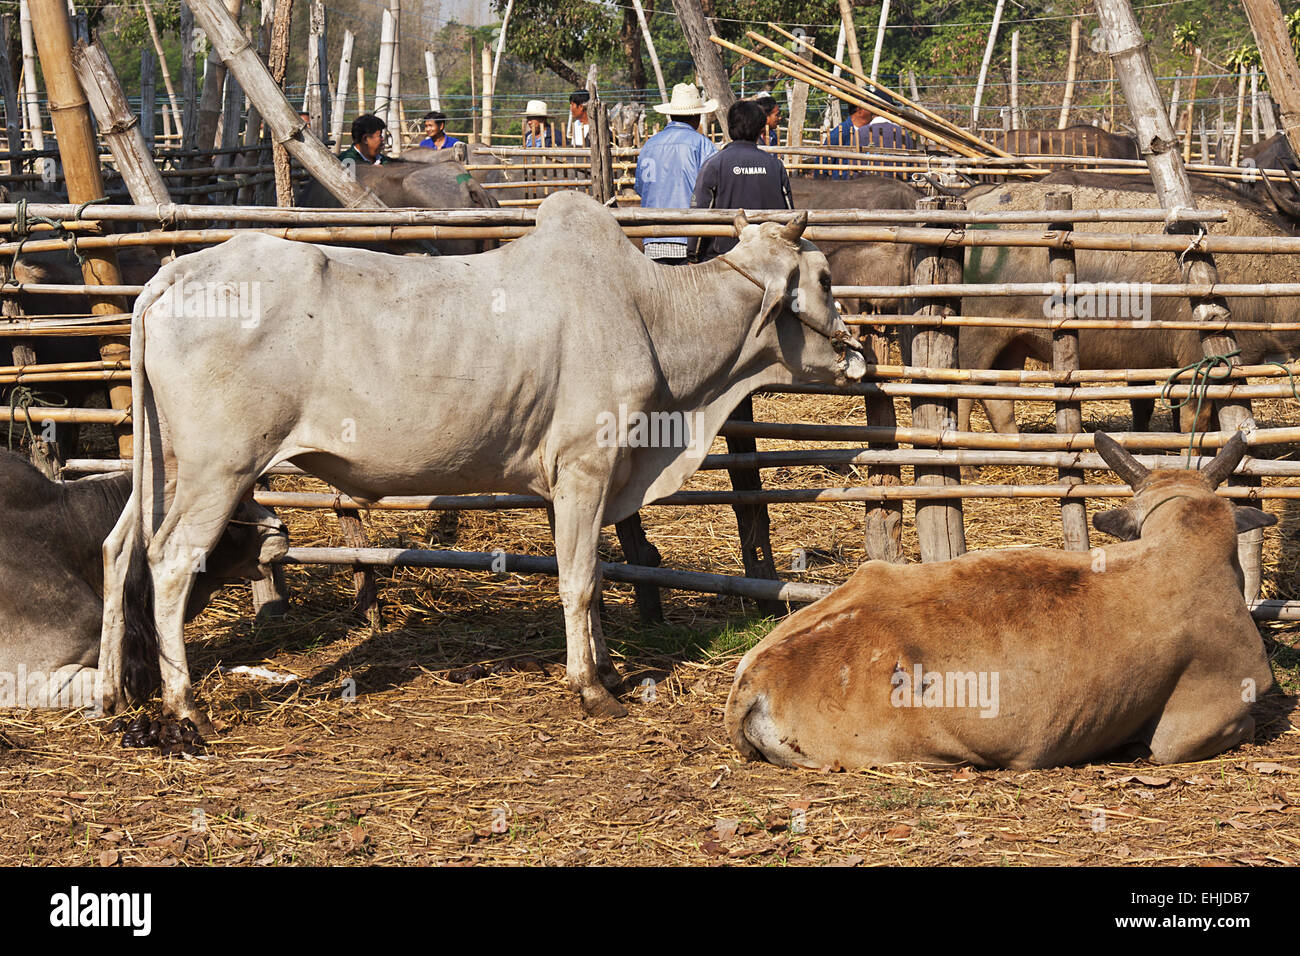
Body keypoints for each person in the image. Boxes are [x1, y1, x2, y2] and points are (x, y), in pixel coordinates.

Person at [690, 99, 793, 262]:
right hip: (767, 256)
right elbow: (788, 214)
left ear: (730, 127)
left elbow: (700, 212)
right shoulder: (775, 165)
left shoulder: (714, 164)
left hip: (724, 257)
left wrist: (693, 254)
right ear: (761, 128)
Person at [633, 83, 718, 265]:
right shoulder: (703, 145)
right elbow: (713, 190)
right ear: (696, 116)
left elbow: (641, 189)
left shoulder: (649, 145)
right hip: (690, 239)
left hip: (653, 237)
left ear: (671, 114)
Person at [820, 91, 913, 179]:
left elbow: (853, 169)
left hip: (865, 189)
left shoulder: (860, 133)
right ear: (888, 111)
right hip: (899, 188)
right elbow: (912, 170)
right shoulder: (903, 134)